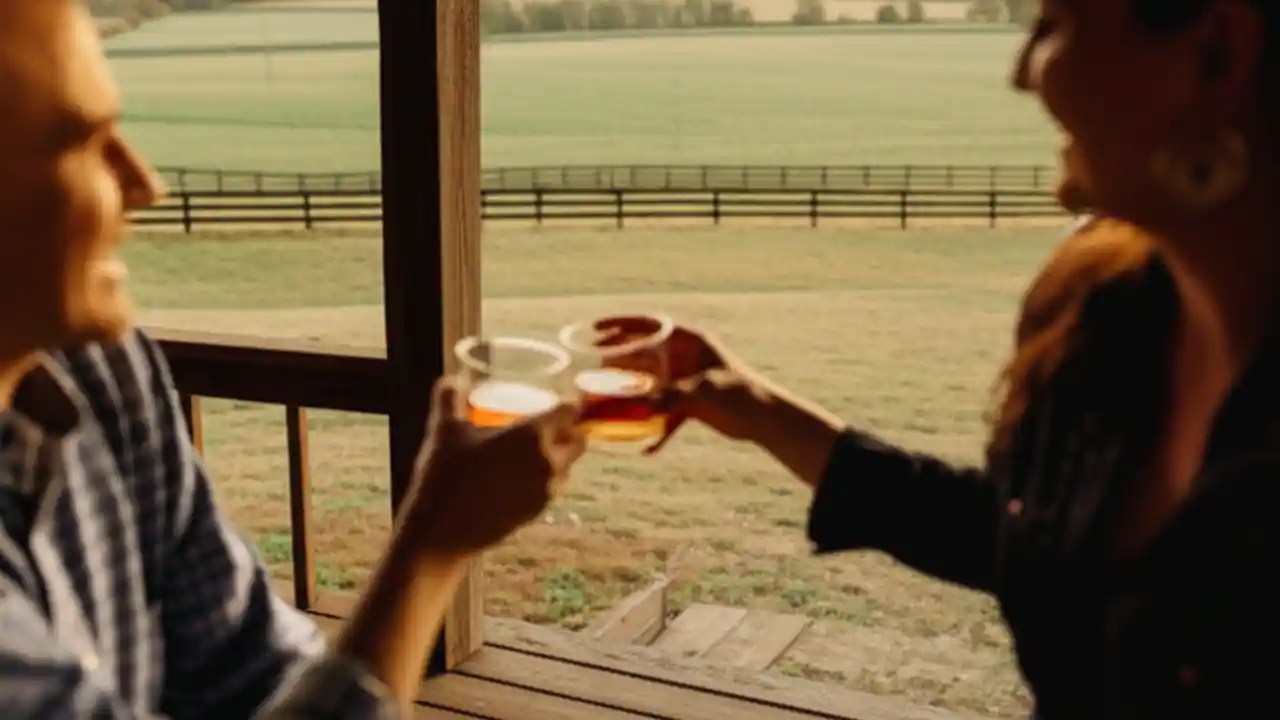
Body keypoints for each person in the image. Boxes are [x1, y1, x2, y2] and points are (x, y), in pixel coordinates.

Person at [631, 0, 1280, 717]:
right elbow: (1031, 539)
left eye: (1055, 26)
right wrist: (762, 412)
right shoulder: (1110, 316)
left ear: (1217, 54)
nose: (1022, 75)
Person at [0, 1, 584, 717]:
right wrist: (433, 543)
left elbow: (252, 672)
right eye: (81, 140)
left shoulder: (106, 377)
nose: (146, 185)